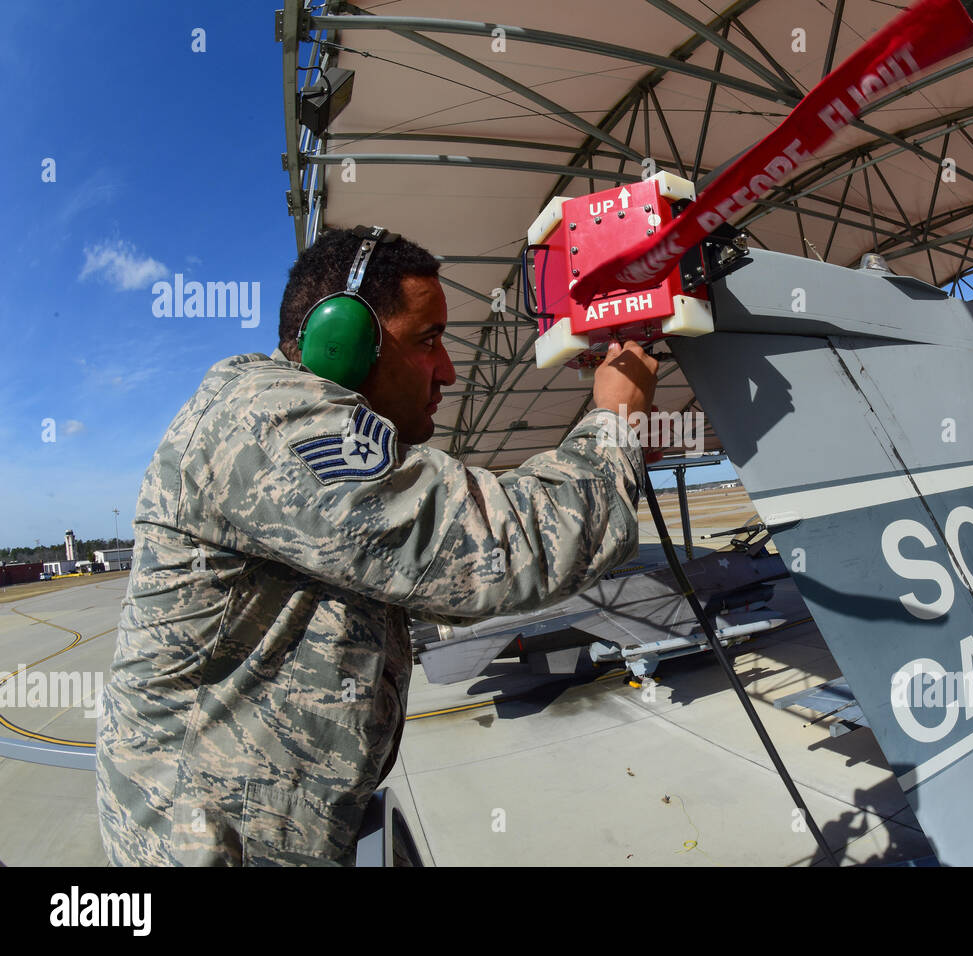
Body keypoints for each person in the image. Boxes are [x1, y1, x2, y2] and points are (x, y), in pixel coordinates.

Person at [96, 226, 658, 865]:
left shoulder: (283, 422)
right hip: (215, 847)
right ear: (343, 344)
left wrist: (613, 463)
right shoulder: (266, 419)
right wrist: (616, 424)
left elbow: (441, 582)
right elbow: (506, 549)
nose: (447, 368)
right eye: (428, 341)